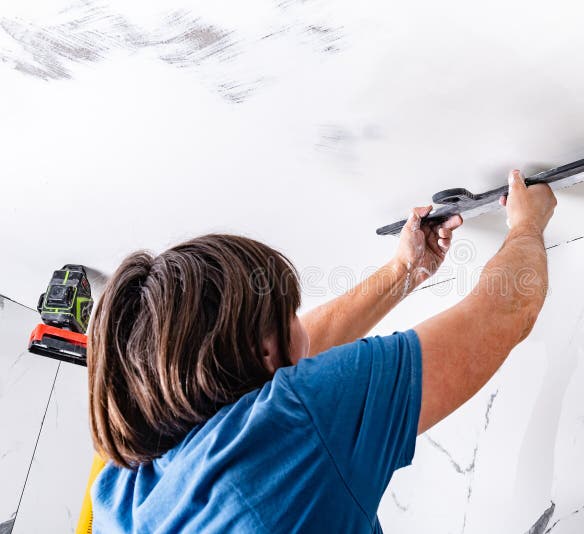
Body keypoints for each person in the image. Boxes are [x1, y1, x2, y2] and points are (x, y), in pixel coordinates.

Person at [87, 170, 556, 532]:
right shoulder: (299, 424)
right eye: (289, 310)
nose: (300, 321)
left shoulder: (121, 489)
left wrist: (404, 270)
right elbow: (504, 313)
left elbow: (294, 357)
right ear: (264, 349)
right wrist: (526, 225)